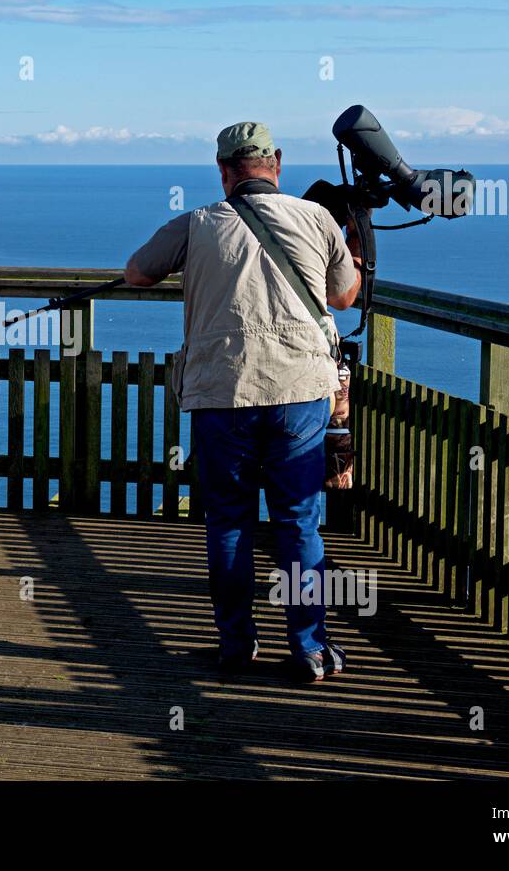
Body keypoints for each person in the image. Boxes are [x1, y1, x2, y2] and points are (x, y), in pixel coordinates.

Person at [123, 122, 364, 682]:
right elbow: (344, 297)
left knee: (228, 521)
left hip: (222, 392)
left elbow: (136, 272)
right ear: (275, 162)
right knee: (299, 523)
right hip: (301, 390)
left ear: (223, 168)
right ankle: (308, 648)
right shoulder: (318, 218)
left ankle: (236, 645)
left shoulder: (198, 223)